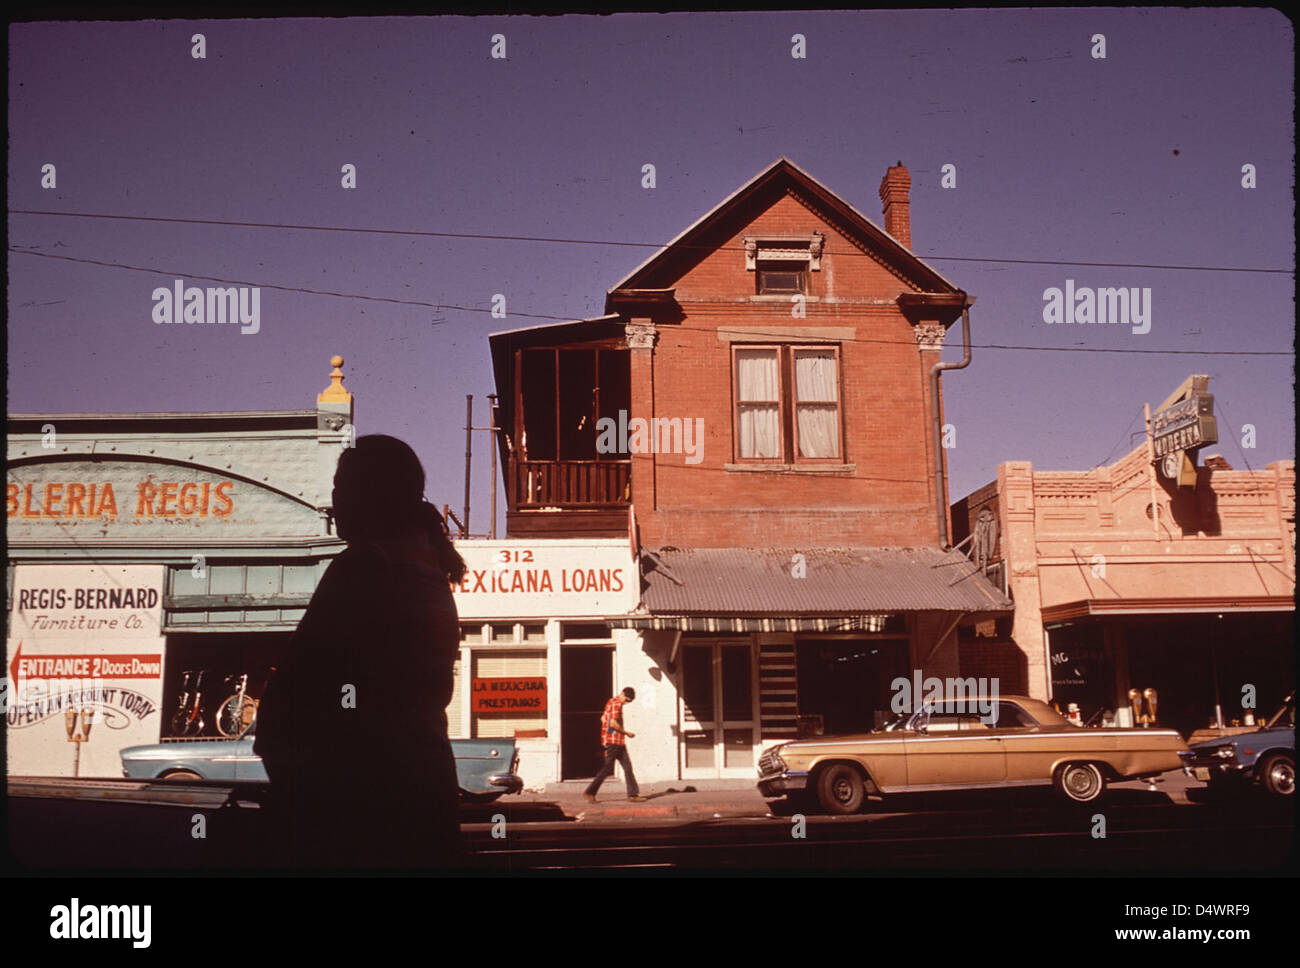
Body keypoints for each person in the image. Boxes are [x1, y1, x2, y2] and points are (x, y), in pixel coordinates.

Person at [253, 434, 466, 870]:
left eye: (342, 488)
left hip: (362, 809)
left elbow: (299, 686)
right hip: (424, 796)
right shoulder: (429, 573)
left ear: (375, 495)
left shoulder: (365, 565)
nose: (333, 503)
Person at [583, 687, 646, 803]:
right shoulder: (617, 704)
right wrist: (626, 733)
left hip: (616, 741)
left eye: (628, 702)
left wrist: (608, 733)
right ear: (622, 694)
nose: (626, 703)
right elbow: (613, 723)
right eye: (626, 700)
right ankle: (590, 792)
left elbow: (603, 718)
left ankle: (633, 795)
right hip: (614, 742)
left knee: (627, 767)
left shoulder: (611, 702)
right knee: (607, 768)